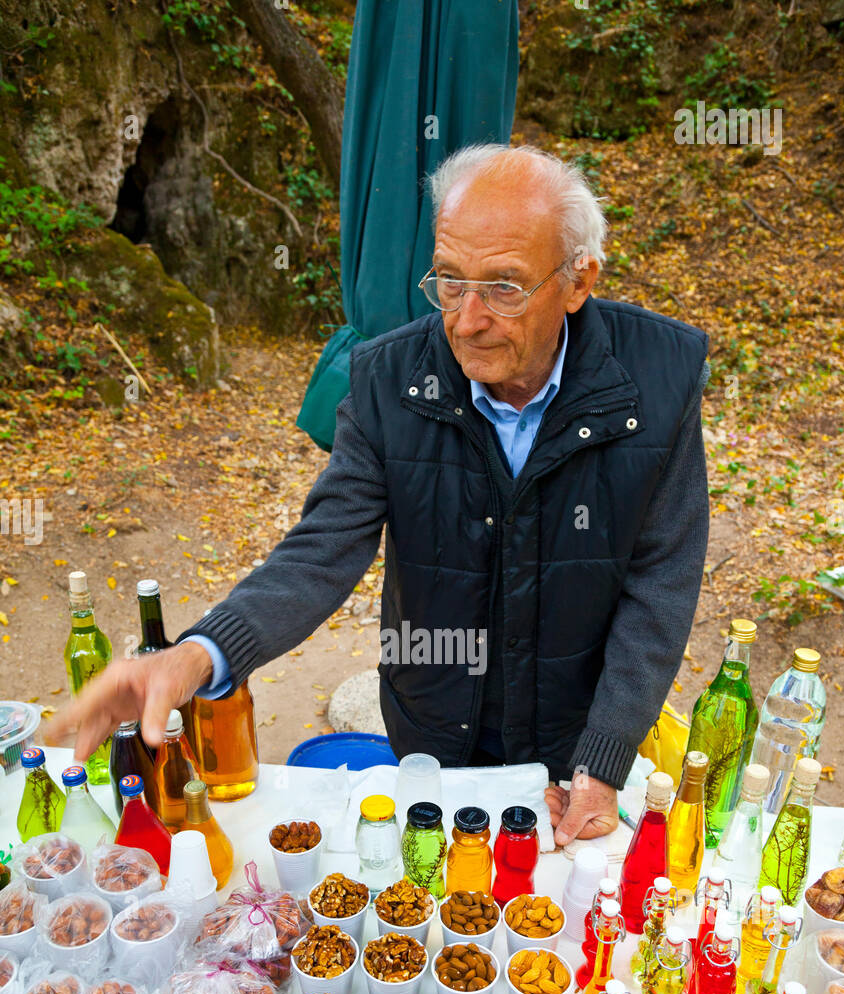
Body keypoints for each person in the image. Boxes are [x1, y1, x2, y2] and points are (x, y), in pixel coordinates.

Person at [47, 144, 710, 846]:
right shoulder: (388, 380)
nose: (466, 319)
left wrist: (602, 760)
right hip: (432, 723)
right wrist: (195, 655)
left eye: (504, 288)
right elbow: (325, 547)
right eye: (449, 281)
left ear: (579, 281)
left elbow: (662, 580)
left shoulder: (657, 383)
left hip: (579, 730)